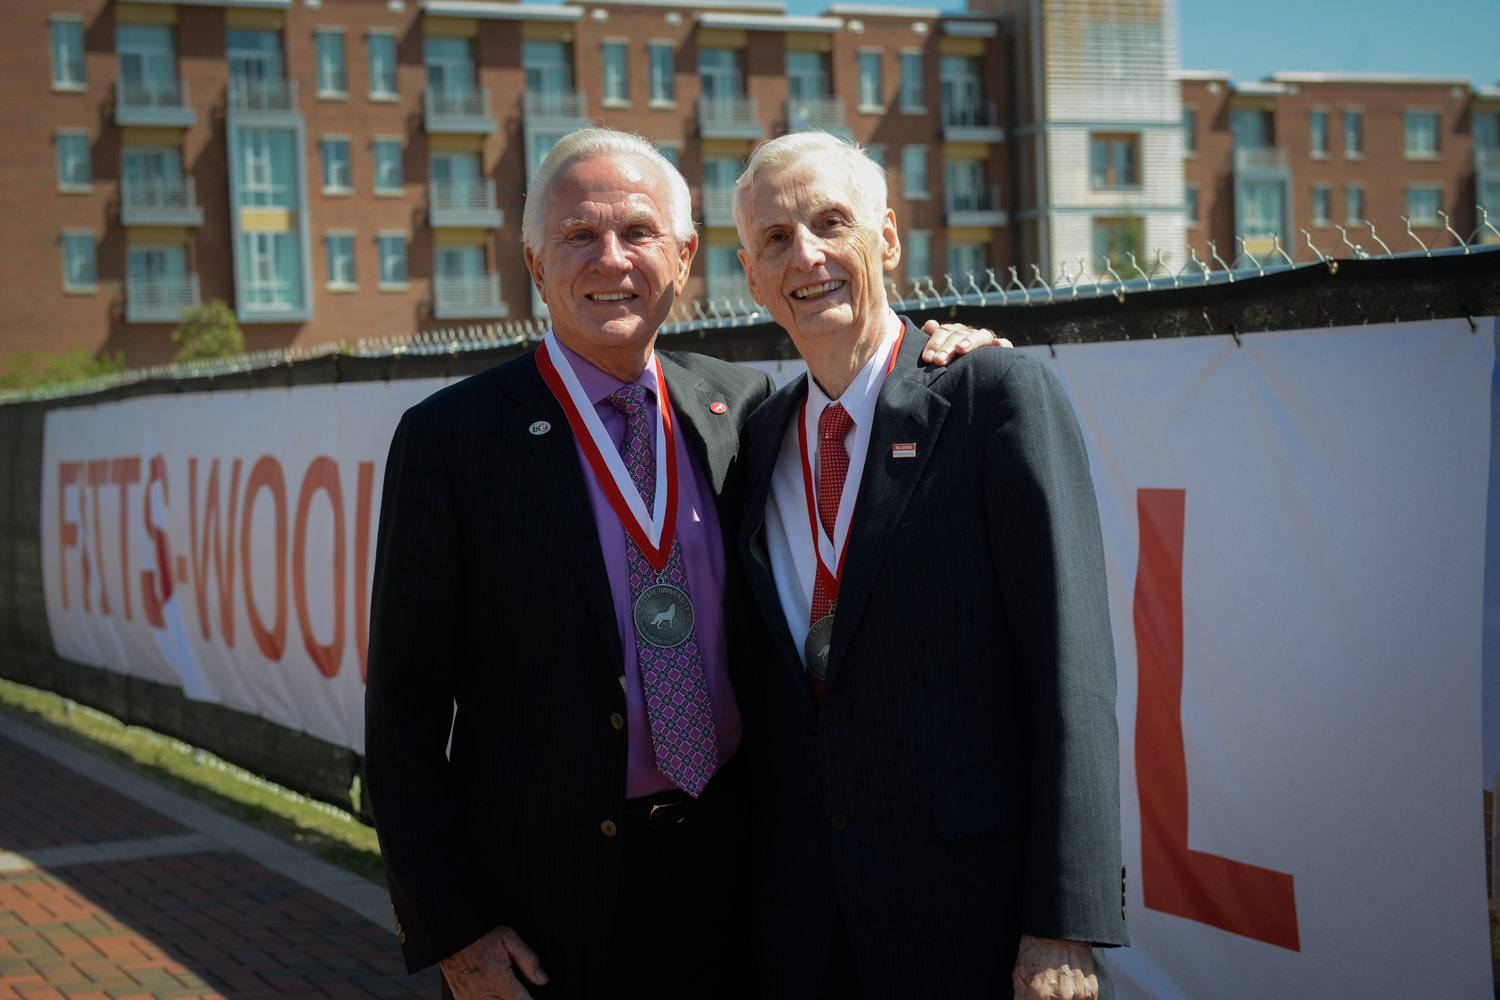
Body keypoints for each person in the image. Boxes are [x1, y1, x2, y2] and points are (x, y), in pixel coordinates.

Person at [363, 128, 999, 1000]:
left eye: (638, 233)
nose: (611, 259)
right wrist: (453, 930)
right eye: (579, 235)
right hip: (544, 901)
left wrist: (953, 351)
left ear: (686, 257)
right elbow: (401, 717)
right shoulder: (452, 441)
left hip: (736, 879)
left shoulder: (745, 409)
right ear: (534, 263)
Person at [733, 132, 1129, 1000]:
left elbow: (1072, 672)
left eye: (831, 223)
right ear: (752, 277)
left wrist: (1063, 921)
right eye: (775, 239)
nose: (807, 256)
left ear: (886, 239)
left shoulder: (990, 395)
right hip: (802, 927)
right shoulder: (758, 439)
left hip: (969, 918)